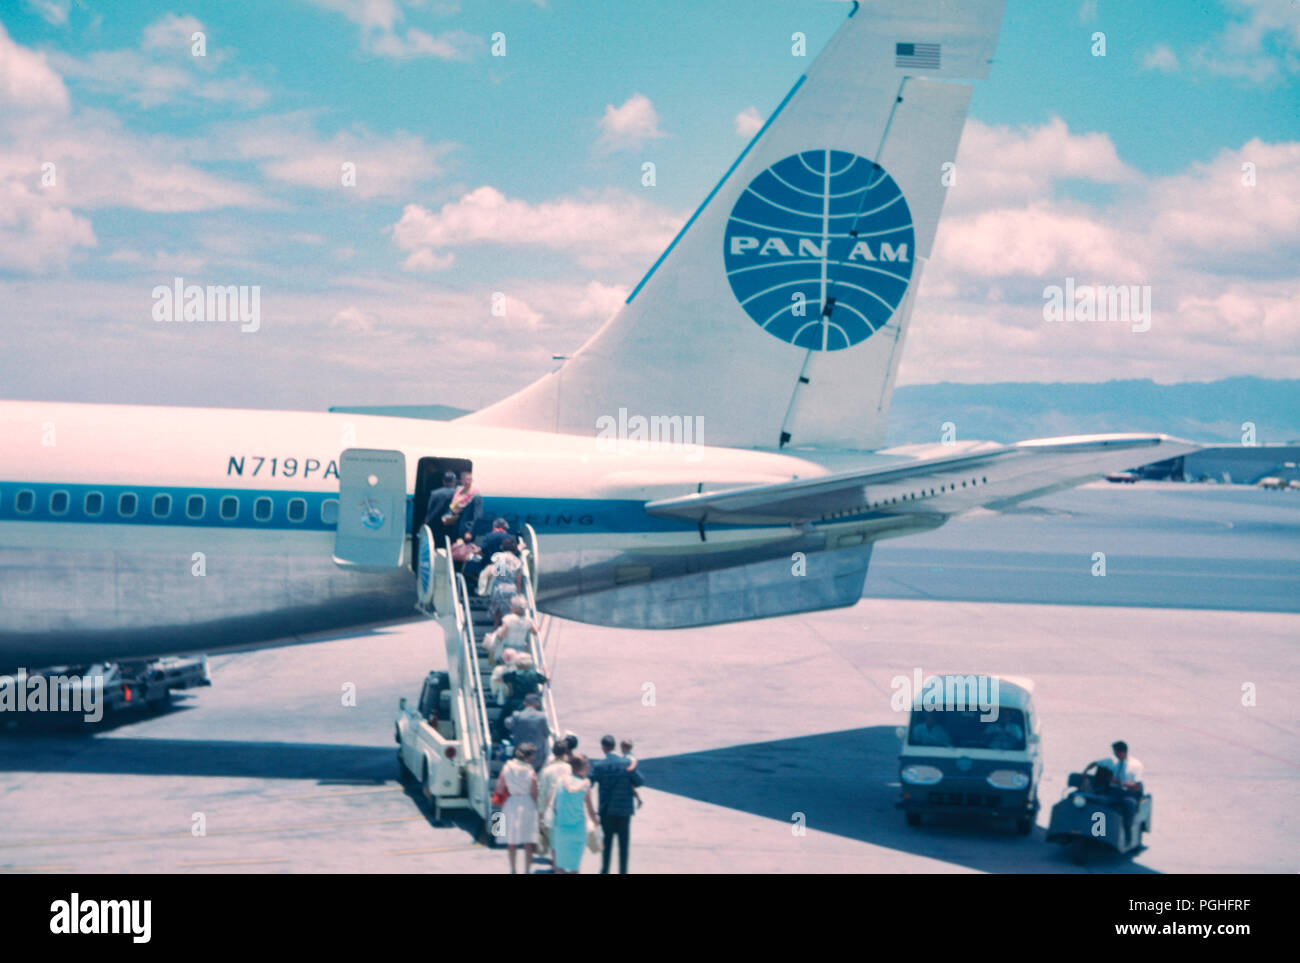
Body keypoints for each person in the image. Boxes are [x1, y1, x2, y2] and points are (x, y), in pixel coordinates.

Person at [588, 734, 644, 874]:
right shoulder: (626, 764)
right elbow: (639, 781)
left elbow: (589, 781)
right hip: (624, 811)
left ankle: (605, 870)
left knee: (606, 846)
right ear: (614, 746)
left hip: (607, 812)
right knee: (623, 846)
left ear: (604, 747)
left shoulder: (600, 765)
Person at [548, 752, 597, 874]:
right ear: (583, 768)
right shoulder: (585, 785)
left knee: (559, 865)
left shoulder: (561, 781)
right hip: (578, 830)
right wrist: (598, 825)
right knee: (574, 867)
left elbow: (552, 803)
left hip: (562, 828)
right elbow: (591, 811)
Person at [497, 743, 539, 874]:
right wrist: (539, 809)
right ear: (527, 756)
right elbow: (534, 792)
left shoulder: (506, 767)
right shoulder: (530, 771)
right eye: (532, 755)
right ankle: (527, 870)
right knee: (528, 841)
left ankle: (513, 869)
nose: (534, 758)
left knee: (511, 841)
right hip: (527, 804)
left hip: (511, 803)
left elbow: (499, 788)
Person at [1092, 740, 1144, 837]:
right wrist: (1085, 771)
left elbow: (1137, 786)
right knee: (1099, 801)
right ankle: (1099, 830)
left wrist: (1121, 783)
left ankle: (1127, 831)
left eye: (1116, 753)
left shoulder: (1135, 765)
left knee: (1129, 804)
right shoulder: (1113, 761)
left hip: (1129, 794)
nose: (1115, 755)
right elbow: (1095, 763)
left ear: (1123, 752)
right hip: (1114, 793)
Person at [536, 739, 572, 861]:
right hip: (568, 810)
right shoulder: (570, 769)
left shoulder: (546, 771)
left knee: (554, 843)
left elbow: (542, 794)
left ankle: (556, 866)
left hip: (551, 811)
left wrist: (540, 814)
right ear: (565, 753)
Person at [504, 694, 550, 772]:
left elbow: (507, 724)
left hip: (520, 756)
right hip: (536, 757)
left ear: (525, 704)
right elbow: (546, 733)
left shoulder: (517, 715)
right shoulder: (542, 717)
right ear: (537, 704)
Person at [485, 540, 524, 628]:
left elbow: (491, 574)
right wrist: (519, 595)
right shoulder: (517, 561)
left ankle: (495, 636)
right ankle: (505, 636)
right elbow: (518, 581)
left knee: (497, 616)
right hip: (511, 589)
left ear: (502, 547)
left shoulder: (500, 557)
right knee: (507, 617)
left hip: (499, 588)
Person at [465, 517, 511, 587]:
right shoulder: (509, 537)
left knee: (468, 565)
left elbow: (483, 550)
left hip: (489, 564)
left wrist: (475, 550)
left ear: (495, 526)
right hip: (504, 566)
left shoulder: (489, 536)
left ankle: (475, 585)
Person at [492, 595, 538, 663]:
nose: (510, 607)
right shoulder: (528, 621)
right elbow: (535, 632)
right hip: (520, 651)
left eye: (512, 605)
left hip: (508, 651)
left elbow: (501, 635)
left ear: (515, 608)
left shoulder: (508, 619)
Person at [501, 653, 547, 718]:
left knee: (505, 715)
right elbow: (545, 680)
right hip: (531, 702)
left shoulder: (512, 675)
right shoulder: (534, 674)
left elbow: (505, 683)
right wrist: (546, 670)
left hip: (516, 701)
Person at [442, 470, 482, 541]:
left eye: (469, 479)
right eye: (465, 479)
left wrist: (470, 532)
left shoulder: (476, 496)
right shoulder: (458, 493)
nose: (467, 482)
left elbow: (477, 516)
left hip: (466, 531)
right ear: (461, 481)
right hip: (456, 528)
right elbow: (452, 508)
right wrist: (446, 516)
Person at [423, 471, 458, 539]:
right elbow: (455, 507)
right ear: (454, 481)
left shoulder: (434, 493)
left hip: (435, 523)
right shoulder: (457, 493)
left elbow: (430, 509)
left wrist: (427, 521)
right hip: (450, 523)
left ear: (443, 481)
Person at [621, 739, 643, 810]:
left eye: (622, 747)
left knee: (629, 789)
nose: (621, 749)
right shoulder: (626, 755)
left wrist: (629, 768)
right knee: (631, 789)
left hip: (630, 776)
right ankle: (639, 800)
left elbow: (634, 762)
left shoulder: (630, 756)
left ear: (625, 748)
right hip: (629, 776)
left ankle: (638, 800)